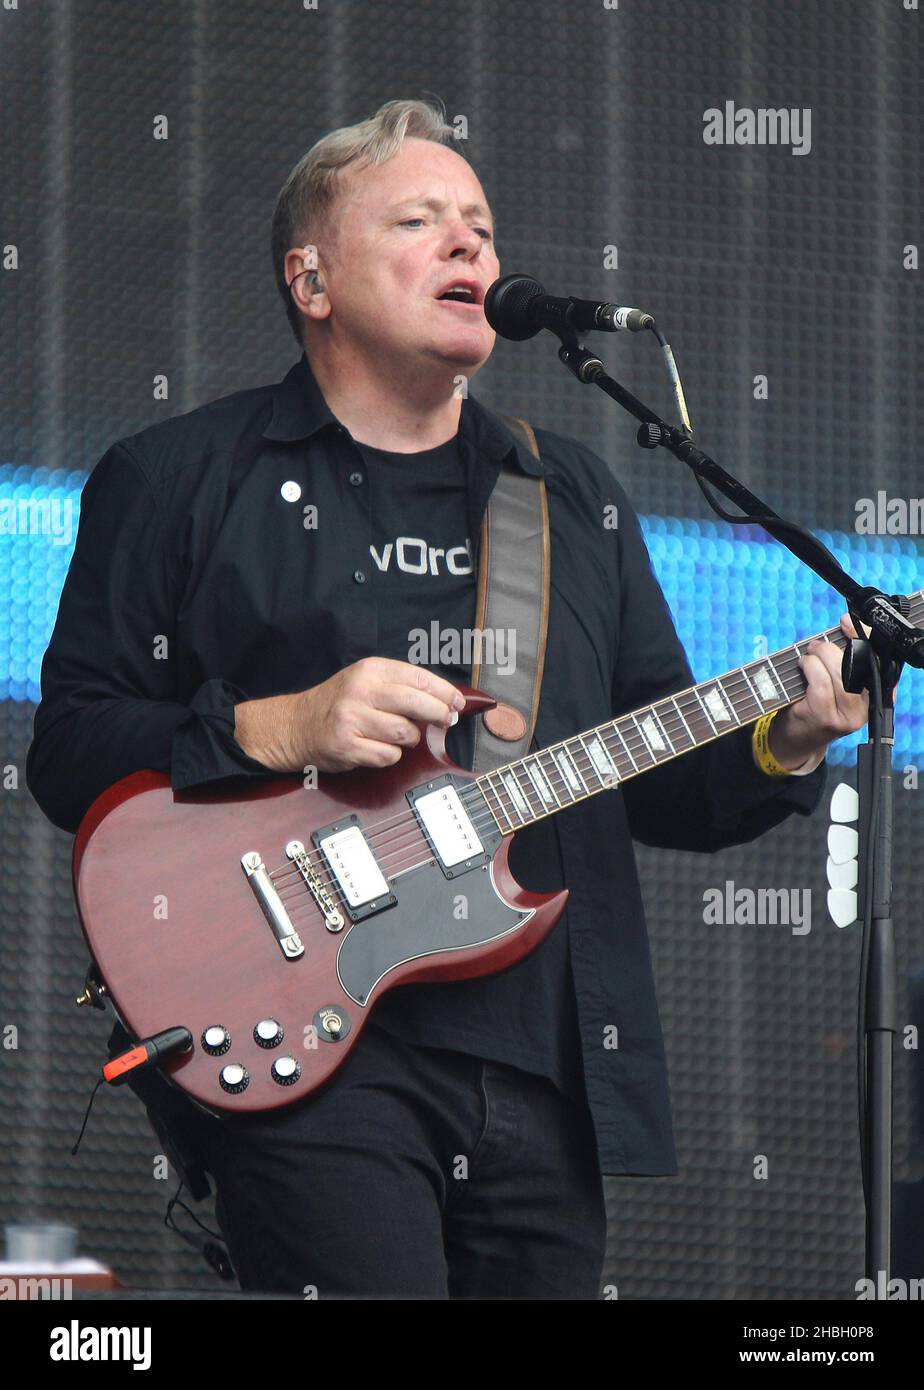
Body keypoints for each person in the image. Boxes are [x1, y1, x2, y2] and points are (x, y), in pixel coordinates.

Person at [27, 98, 871, 1299]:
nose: (470, 246)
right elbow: (71, 748)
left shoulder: (566, 497)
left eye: (478, 224)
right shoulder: (175, 479)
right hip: (313, 1044)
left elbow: (660, 775)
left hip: (541, 1066)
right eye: (420, 220)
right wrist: (283, 724)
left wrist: (787, 730)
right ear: (310, 280)